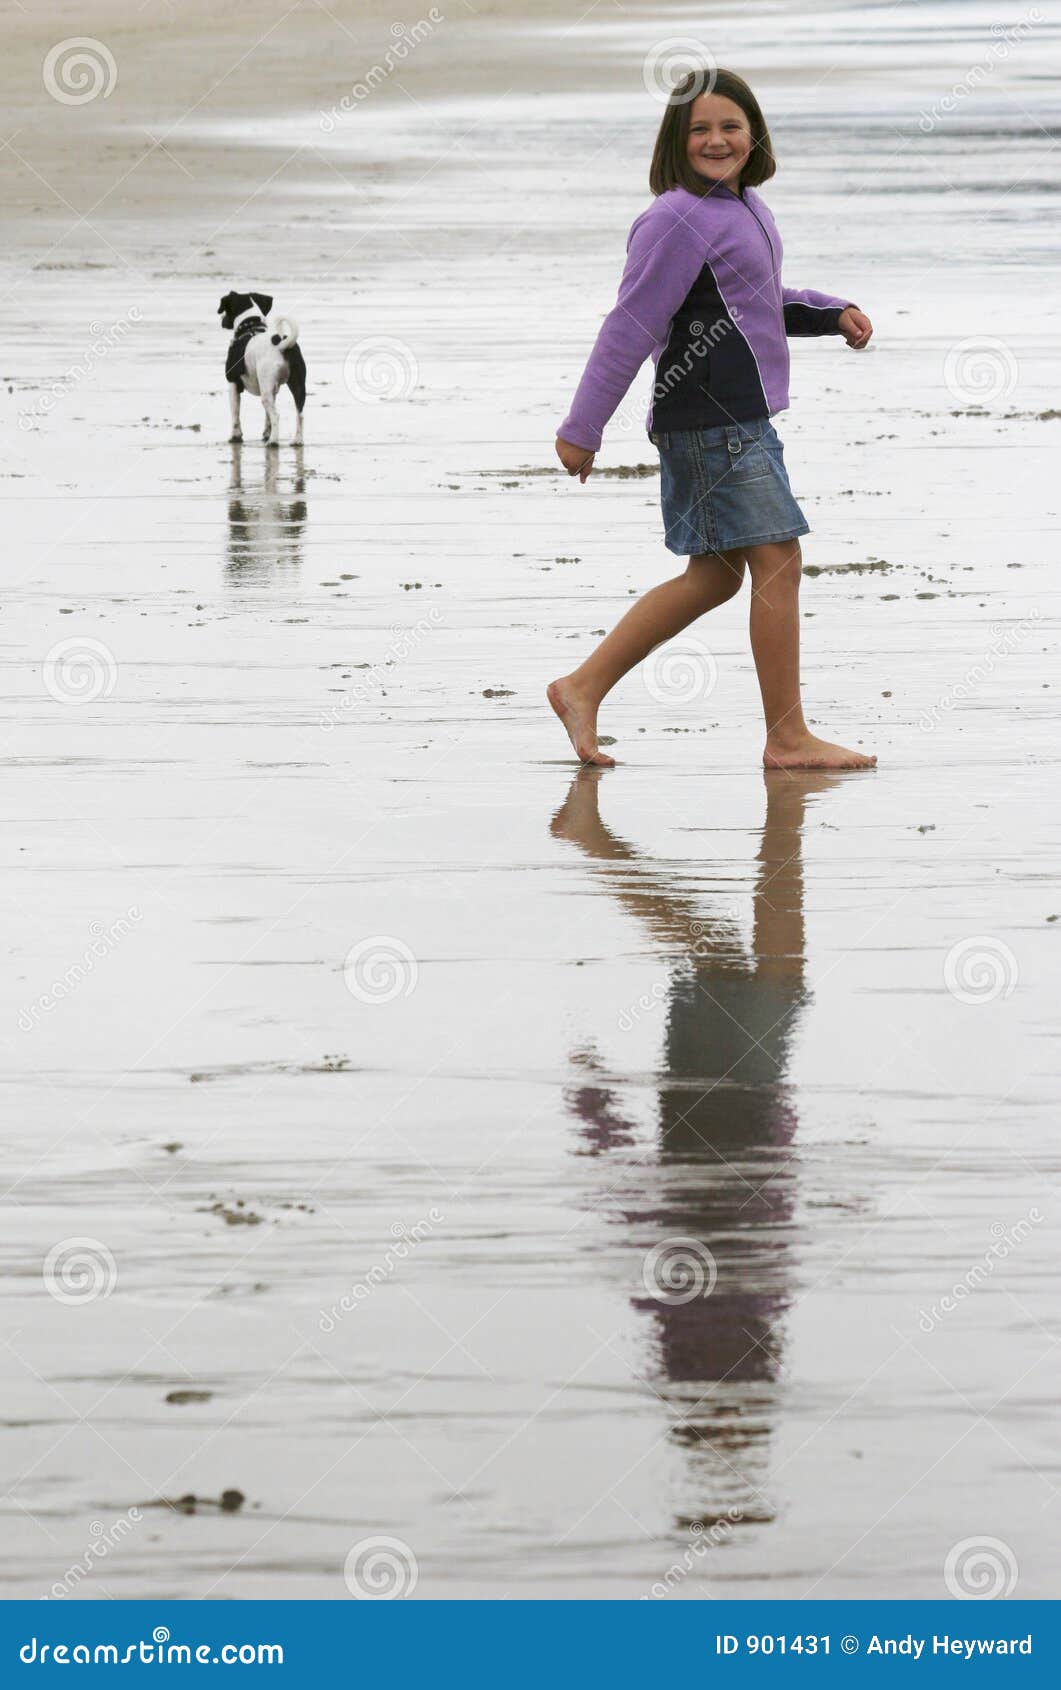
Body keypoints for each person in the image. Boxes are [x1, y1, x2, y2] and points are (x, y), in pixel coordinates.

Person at [548, 68, 877, 772]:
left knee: (716, 576)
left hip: (735, 419)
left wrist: (829, 313)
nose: (716, 139)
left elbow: (755, 300)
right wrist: (583, 427)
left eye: (730, 126)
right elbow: (630, 325)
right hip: (710, 420)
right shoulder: (674, 219)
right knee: (778, 560)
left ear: (754, 135)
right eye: (699, 129)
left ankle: (582, 687)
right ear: (676, 140)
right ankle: (787, 737)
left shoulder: (745, 206)